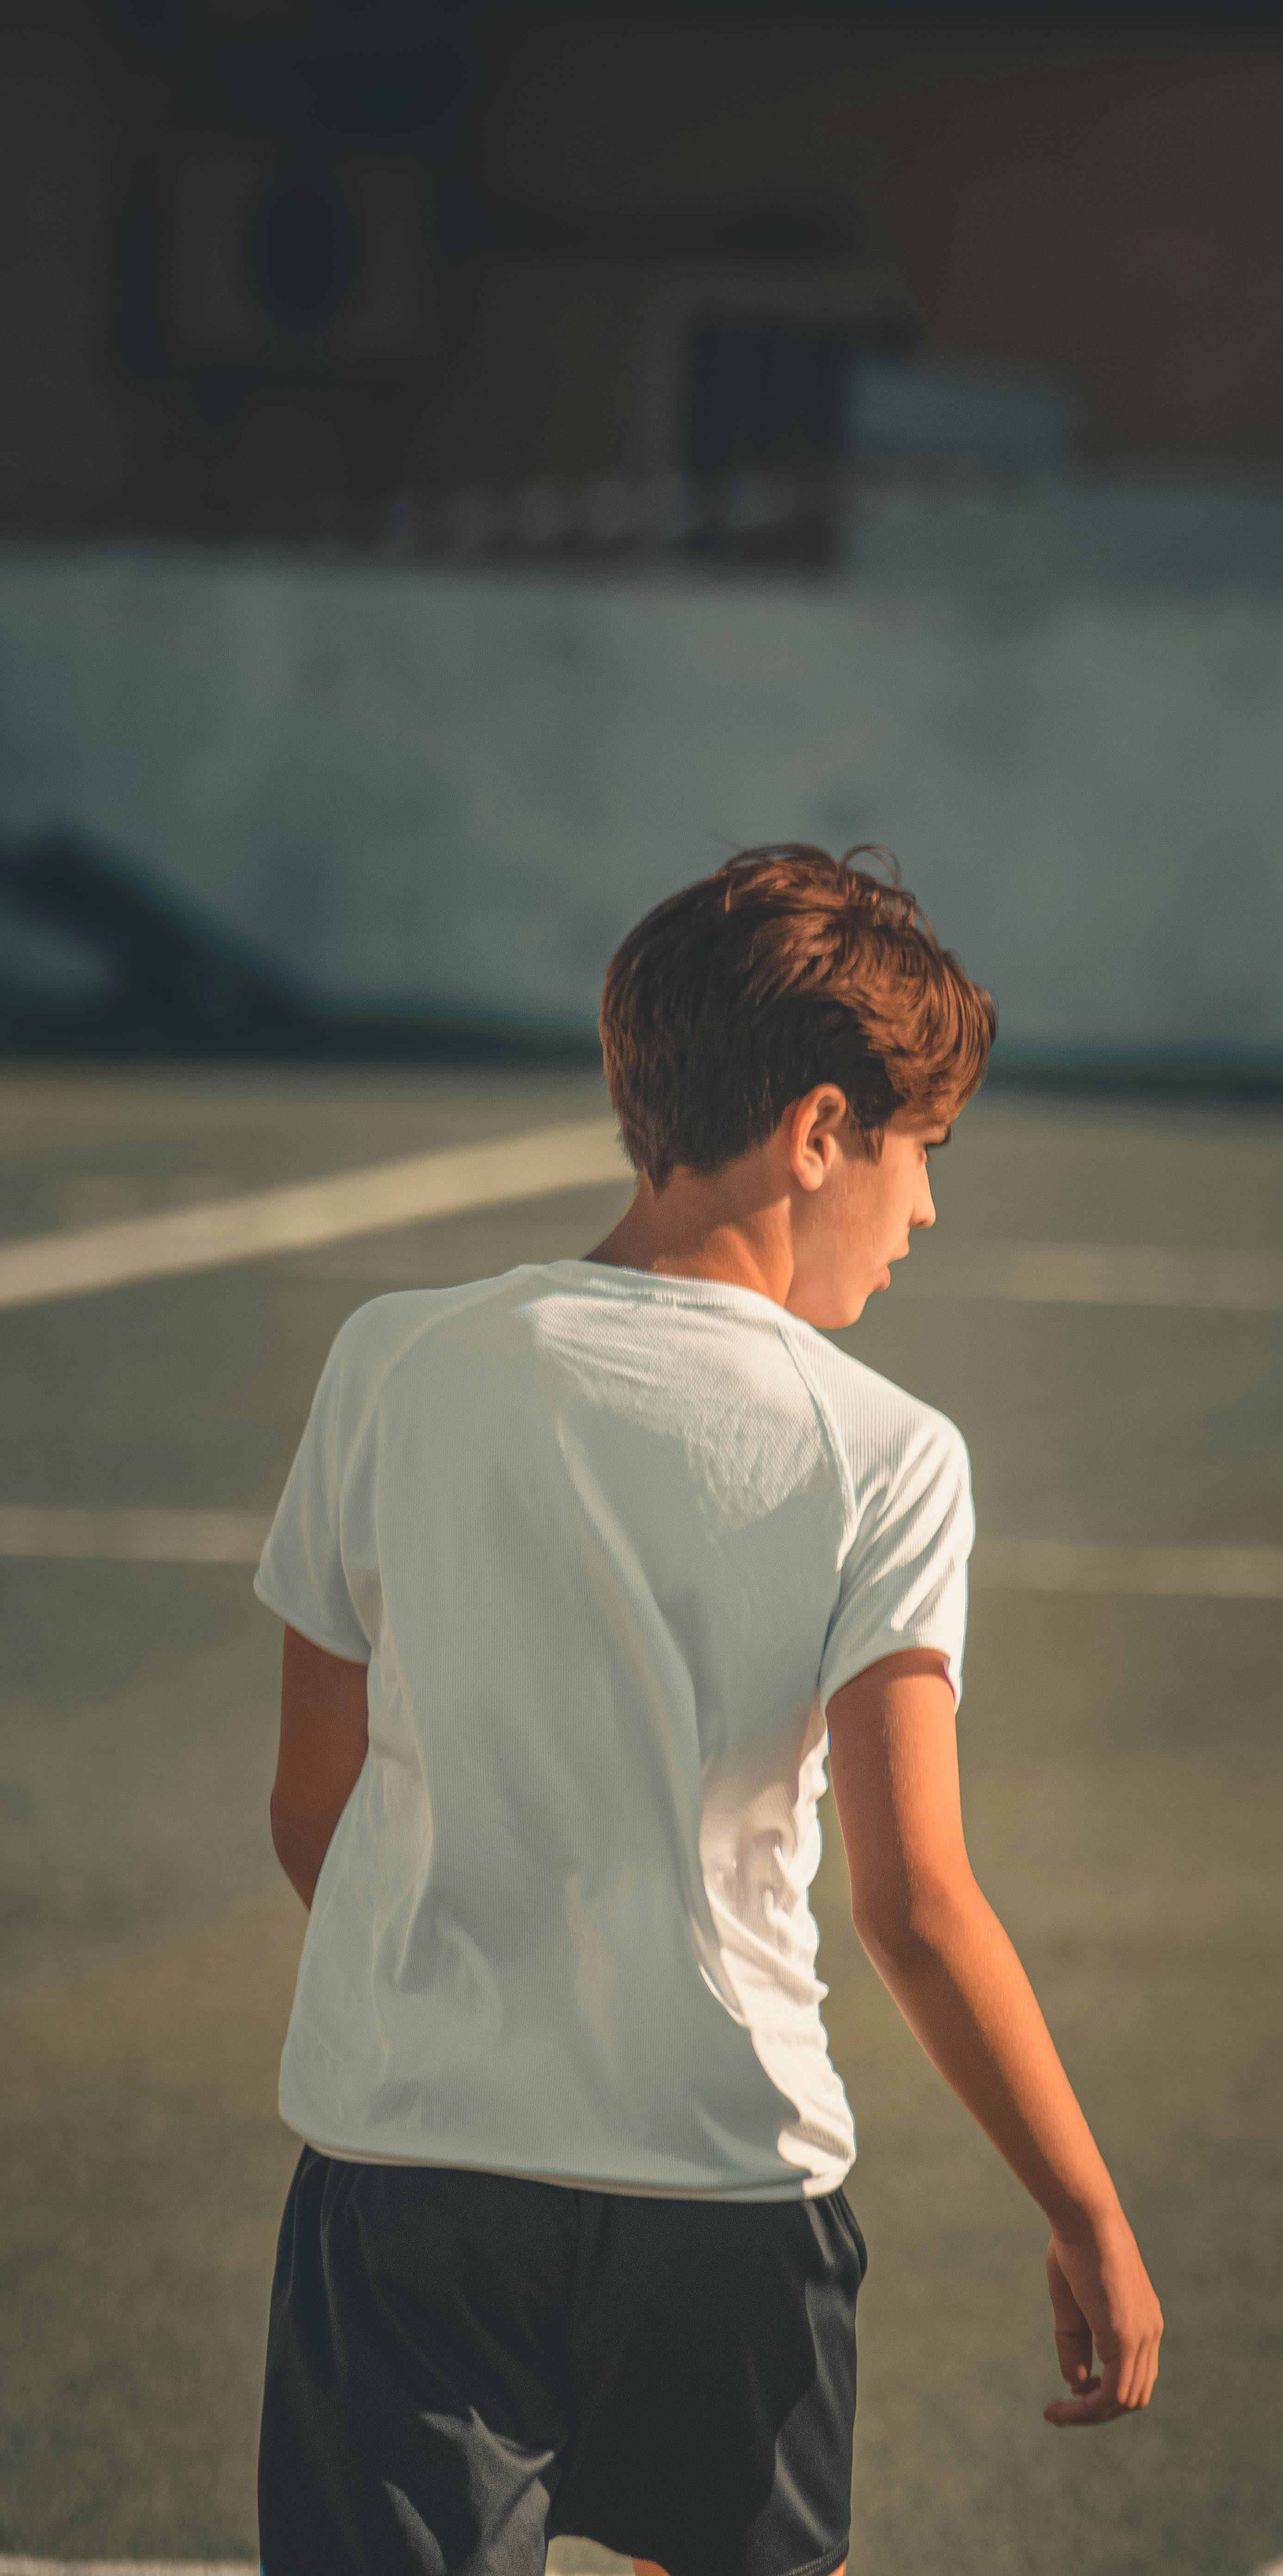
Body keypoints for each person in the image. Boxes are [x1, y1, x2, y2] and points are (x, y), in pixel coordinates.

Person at [255, 844, 1162, 2576]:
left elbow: (317, 1813)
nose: (928, 1215)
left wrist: (475, 2001)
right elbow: (915, 1903)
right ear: (822, 1131)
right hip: (731, 2195)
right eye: (923, 1153)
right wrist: (1087, 2213)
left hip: (412, 2172)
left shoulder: (391, 1359)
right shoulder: (888, 1453)